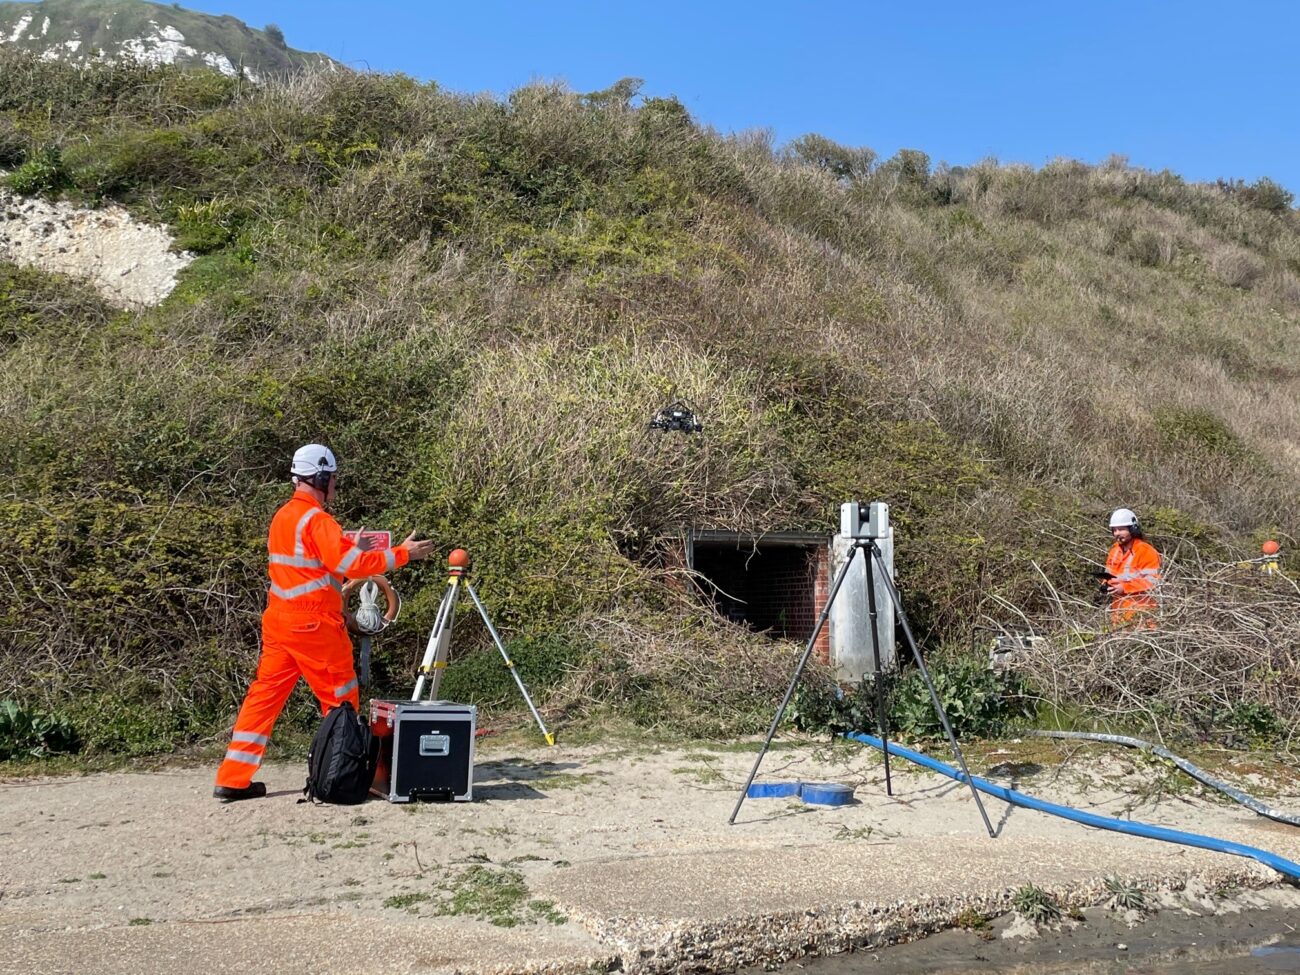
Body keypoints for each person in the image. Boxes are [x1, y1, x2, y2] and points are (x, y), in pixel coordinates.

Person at [214, 444, 436, 801]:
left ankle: (233, 778)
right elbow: (351, 567)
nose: (334, 485)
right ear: (320, 477)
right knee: (341, 699)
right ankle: (339, 777)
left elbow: (317, 565)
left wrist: (353, 546)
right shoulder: (317, 520)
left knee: (264, 698)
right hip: (313, 625)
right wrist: (403, 555)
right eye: (333, 478)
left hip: (279, 624)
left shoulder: (283, 516)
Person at [1103, 508, 1161, 628]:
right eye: (1114, 530)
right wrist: (1106, 584)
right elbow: (1108, 574)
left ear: (1133, 529)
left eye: (1121, 529)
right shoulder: (1114, 551)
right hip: (1119, 616)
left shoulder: (1146, 551)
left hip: (1142, 616)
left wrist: (1124, 587)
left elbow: (1153, 581)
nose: (1117, 533)